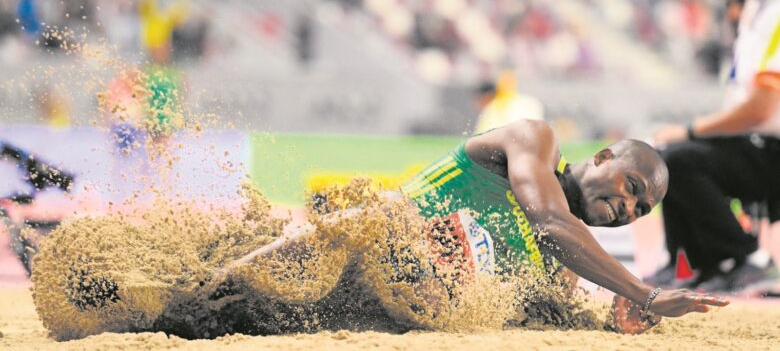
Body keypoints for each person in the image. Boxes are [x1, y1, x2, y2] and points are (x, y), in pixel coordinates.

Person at [226, 119, 728, 333]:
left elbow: (542, 320)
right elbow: (552, 223)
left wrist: (615, 322)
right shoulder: (535, 140)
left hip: (367, 308)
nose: (628, 207)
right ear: (601, 158)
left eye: (640, 212)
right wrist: (644, 292)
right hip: (356, 248)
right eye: (633, 188)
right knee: (373, 218)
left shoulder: (566, 270)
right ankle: (208, 288)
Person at [651, 0, 780, 291]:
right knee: (670, 152)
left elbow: (759, 110)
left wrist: (691, 128)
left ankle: (747, 257)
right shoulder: (757, 12)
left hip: (772, 149)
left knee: (679, 156)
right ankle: (690, 263)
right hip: (758, 144)